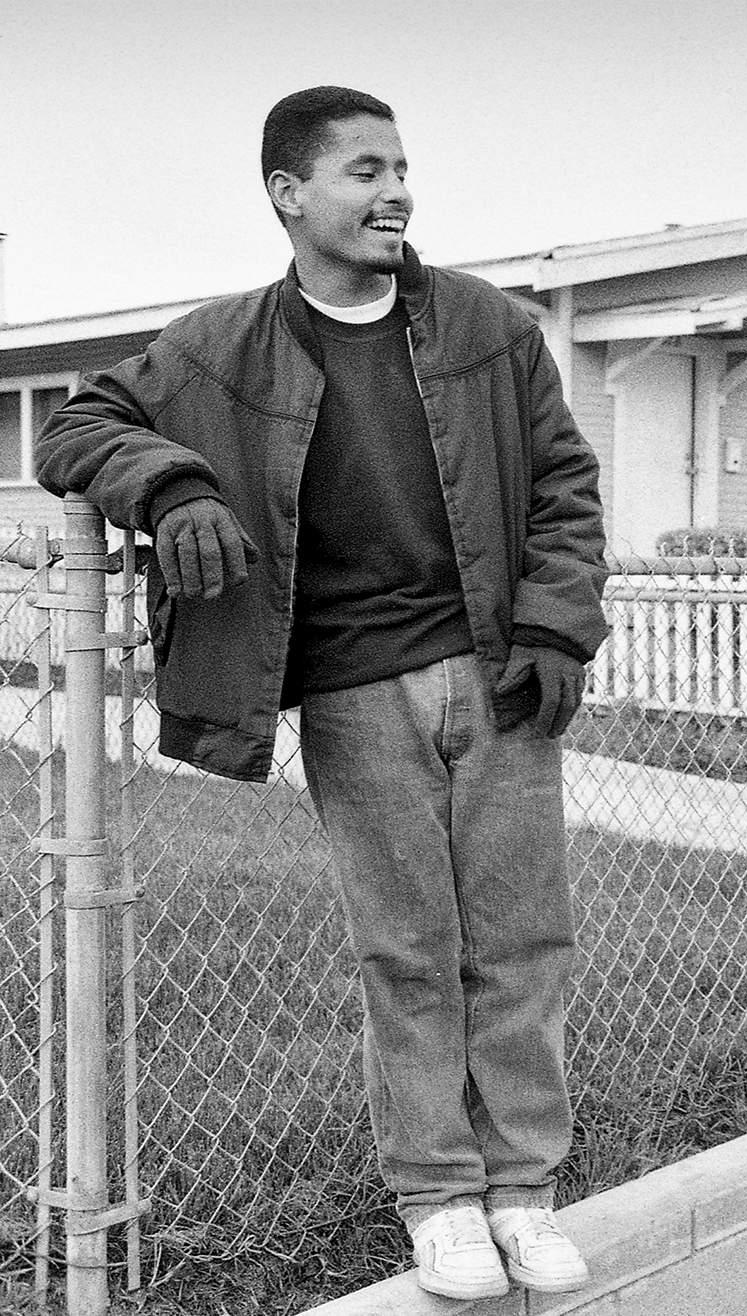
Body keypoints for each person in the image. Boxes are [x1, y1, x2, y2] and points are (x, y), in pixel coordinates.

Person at [36, 87, 608, 1301]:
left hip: (500, 678)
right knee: (406, 949)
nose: (395, 190)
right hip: (351, 694)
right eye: (363, 169)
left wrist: (558, 623)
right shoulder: (218, 347)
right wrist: (174, 483)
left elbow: (564, 484)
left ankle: (526, 1190)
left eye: (402, 167)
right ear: (289, 194)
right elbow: (79, 425)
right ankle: (441, 1199)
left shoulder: (493, 329)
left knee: (522, 942)